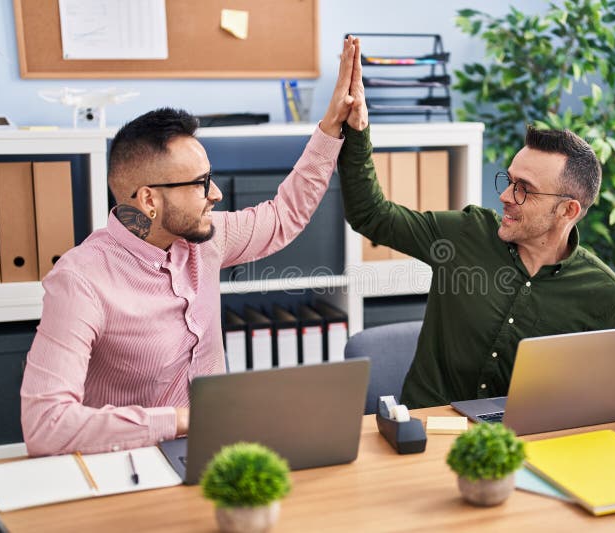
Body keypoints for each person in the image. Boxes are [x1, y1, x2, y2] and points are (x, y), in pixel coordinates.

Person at [20, 39, 362, 456]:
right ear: (148, 200)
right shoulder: (80, 281)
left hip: (216, 452)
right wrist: (182, 420)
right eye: (200, 183)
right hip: (129, 465)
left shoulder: (205, 241)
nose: (215, 193)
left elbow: (283, 216)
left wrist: (331, 127)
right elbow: (45, 426)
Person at [337, 36, 615, 408]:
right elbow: (372, 216)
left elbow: (589, 399)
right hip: (429, 434)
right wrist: (357, 130)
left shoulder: (603, 295)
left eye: (524, 189)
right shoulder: (467, 232)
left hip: (522, 444)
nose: (506, 196)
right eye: (508, 181)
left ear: (568, 210)